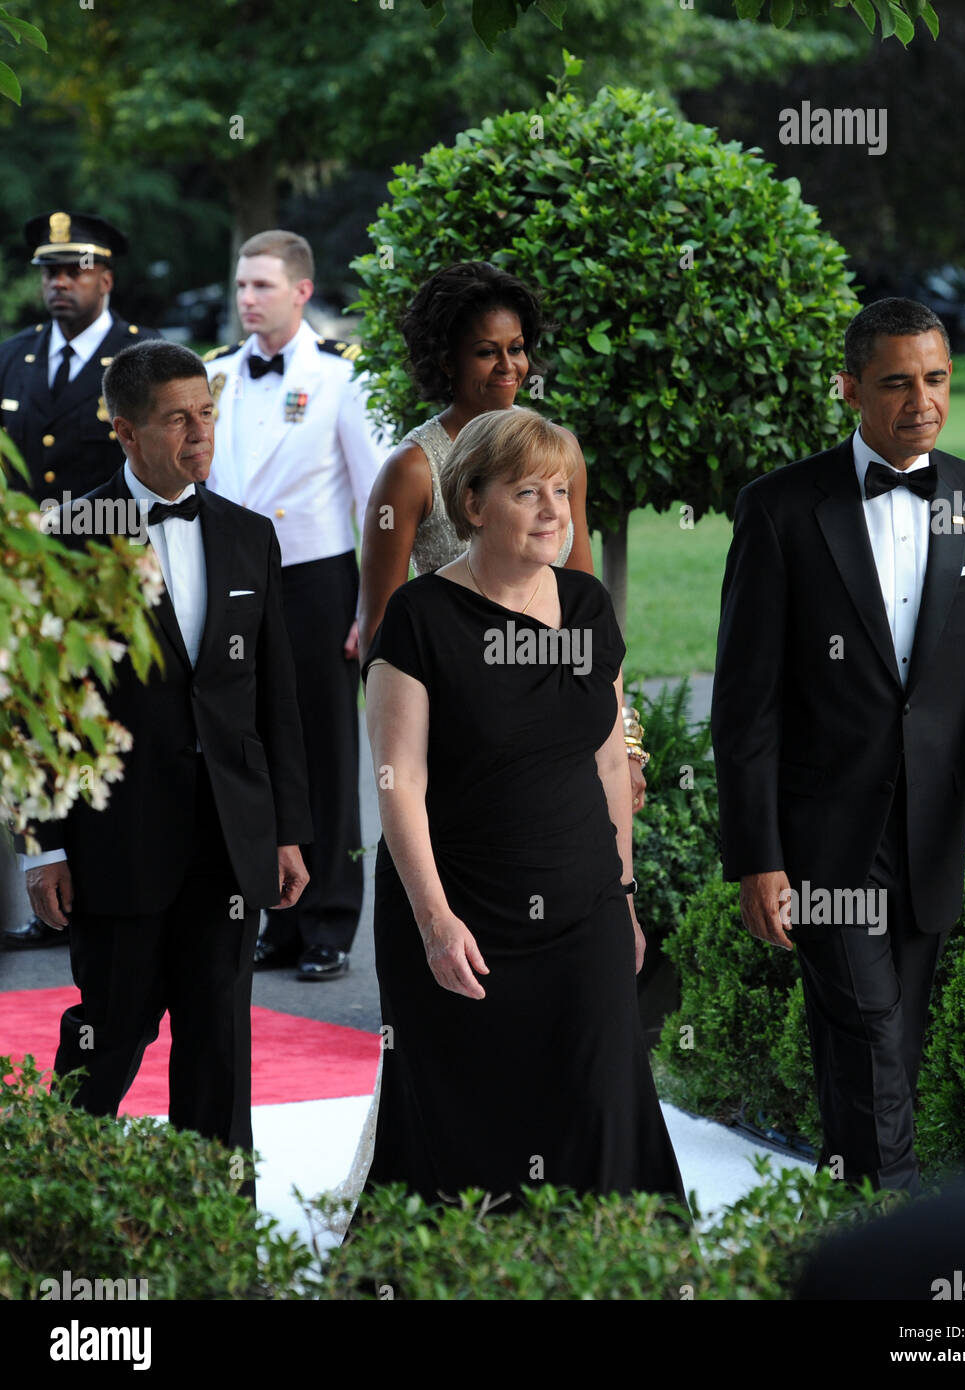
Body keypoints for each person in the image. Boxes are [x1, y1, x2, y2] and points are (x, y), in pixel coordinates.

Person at [712, 297, 965, 1195]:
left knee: (879, 1046)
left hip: (931, 833)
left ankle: (842, 1221)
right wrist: (757, 856)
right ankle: (892, 1242)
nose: (921, 401)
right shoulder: (780, 510)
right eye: (897, 382)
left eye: (936, 379)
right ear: (849, 389)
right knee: (871, 1031)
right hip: (822, 839)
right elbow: (745, 703)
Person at [345, 407, 684, 1213]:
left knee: (601, 1110)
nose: (552, 511)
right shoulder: (420, 618)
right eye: (526, 491)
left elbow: (607, 757)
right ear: (471, 504)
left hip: (585, 909)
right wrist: (434, 922)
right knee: (469, 1127)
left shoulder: (587, 606)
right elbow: (399, 783)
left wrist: (625, 898)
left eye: (560, 492)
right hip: (461, 915)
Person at [19, 340, 312, 1182]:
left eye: (207, 413)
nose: (199, 434)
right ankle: (53, 1206)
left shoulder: (248, 535)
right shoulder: (67, 535)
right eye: (177, 419)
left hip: (229, 835)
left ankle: (220, 1232)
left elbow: (274, 700)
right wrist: (45, 844)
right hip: (116, 838)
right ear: (125, 431)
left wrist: (288, 830)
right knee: (111, 1033)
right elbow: (39, 711)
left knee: (219, 1042)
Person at [355, 261, 650, 812]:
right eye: (486, 351)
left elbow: (587, 611)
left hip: (560, 718)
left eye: (516, 348)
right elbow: (379, 632)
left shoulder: (559, 451)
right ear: (446, 359)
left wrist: (623, 738)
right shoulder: (411, 470)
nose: (508, 365)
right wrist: (404, 764)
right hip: (461, 727)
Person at [204, 230, 382, 980]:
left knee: (325, 755)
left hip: (316, 584)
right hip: (232, 584)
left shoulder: (344, 377)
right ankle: (275, 914)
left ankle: (330, 924)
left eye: (262, 287)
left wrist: (371, 607)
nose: (247, 300)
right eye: (241, 286)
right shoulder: (213, 376)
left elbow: (378, 501)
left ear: (302, 291)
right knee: (252, 751)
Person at [1, 209, 160, 950]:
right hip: (31, 595)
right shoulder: (15, 358)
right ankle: (44, 889)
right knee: (34, 735)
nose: (57, 283)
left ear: (106, 277)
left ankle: (111, 885)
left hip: (109, 588)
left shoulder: (141, 362)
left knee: (110, 735)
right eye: (48, 272)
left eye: (73, 270)